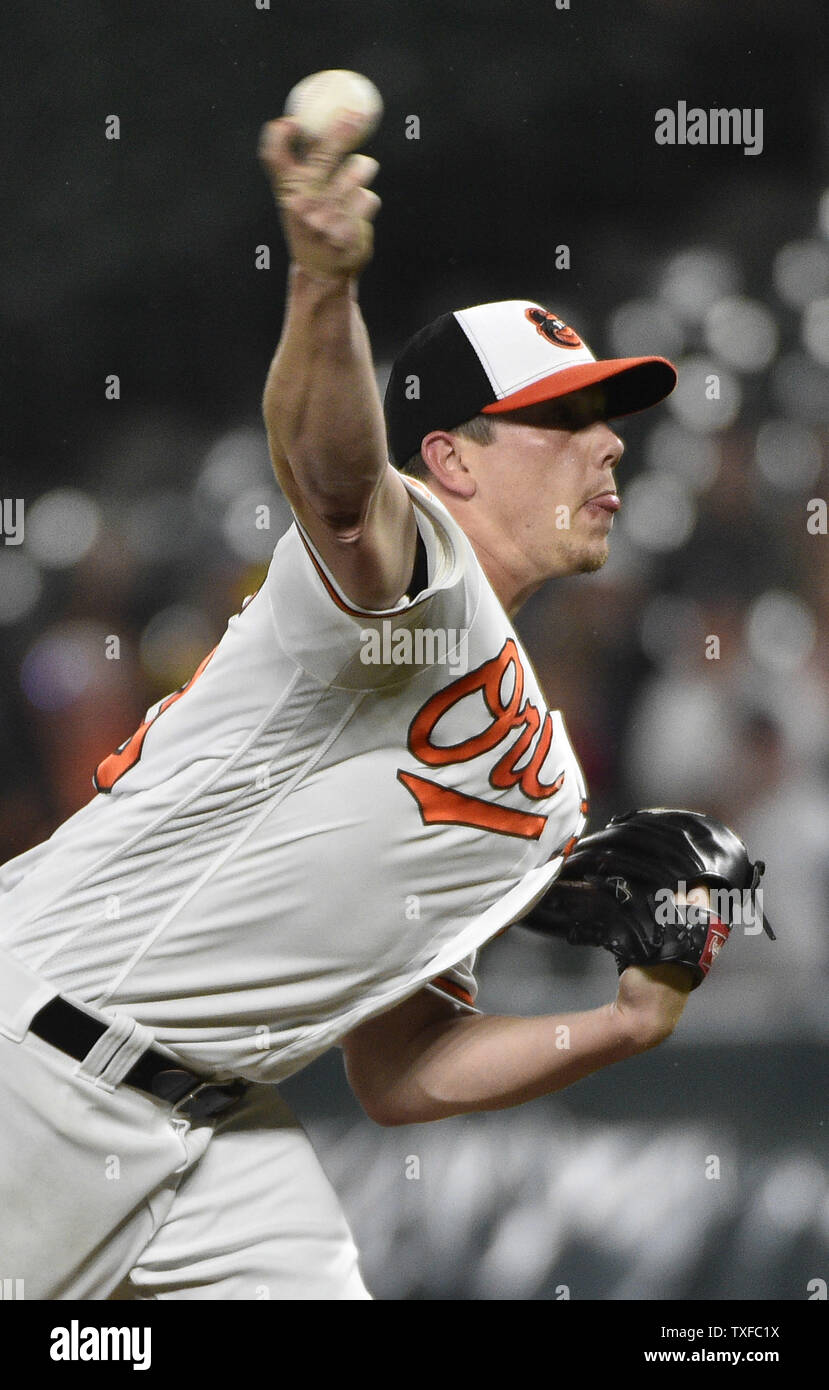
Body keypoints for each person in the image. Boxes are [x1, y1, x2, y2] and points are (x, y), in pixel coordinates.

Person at [0, 114, 692, 1302]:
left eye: (607, 418)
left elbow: (404, 1068)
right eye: (563, 420)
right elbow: (329, 478)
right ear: (450, 460)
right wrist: (323, 283)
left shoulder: (551, 788)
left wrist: (627, 1024)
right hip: (38, 1060)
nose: (606, 448)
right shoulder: (404, 576)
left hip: (212, 1125)